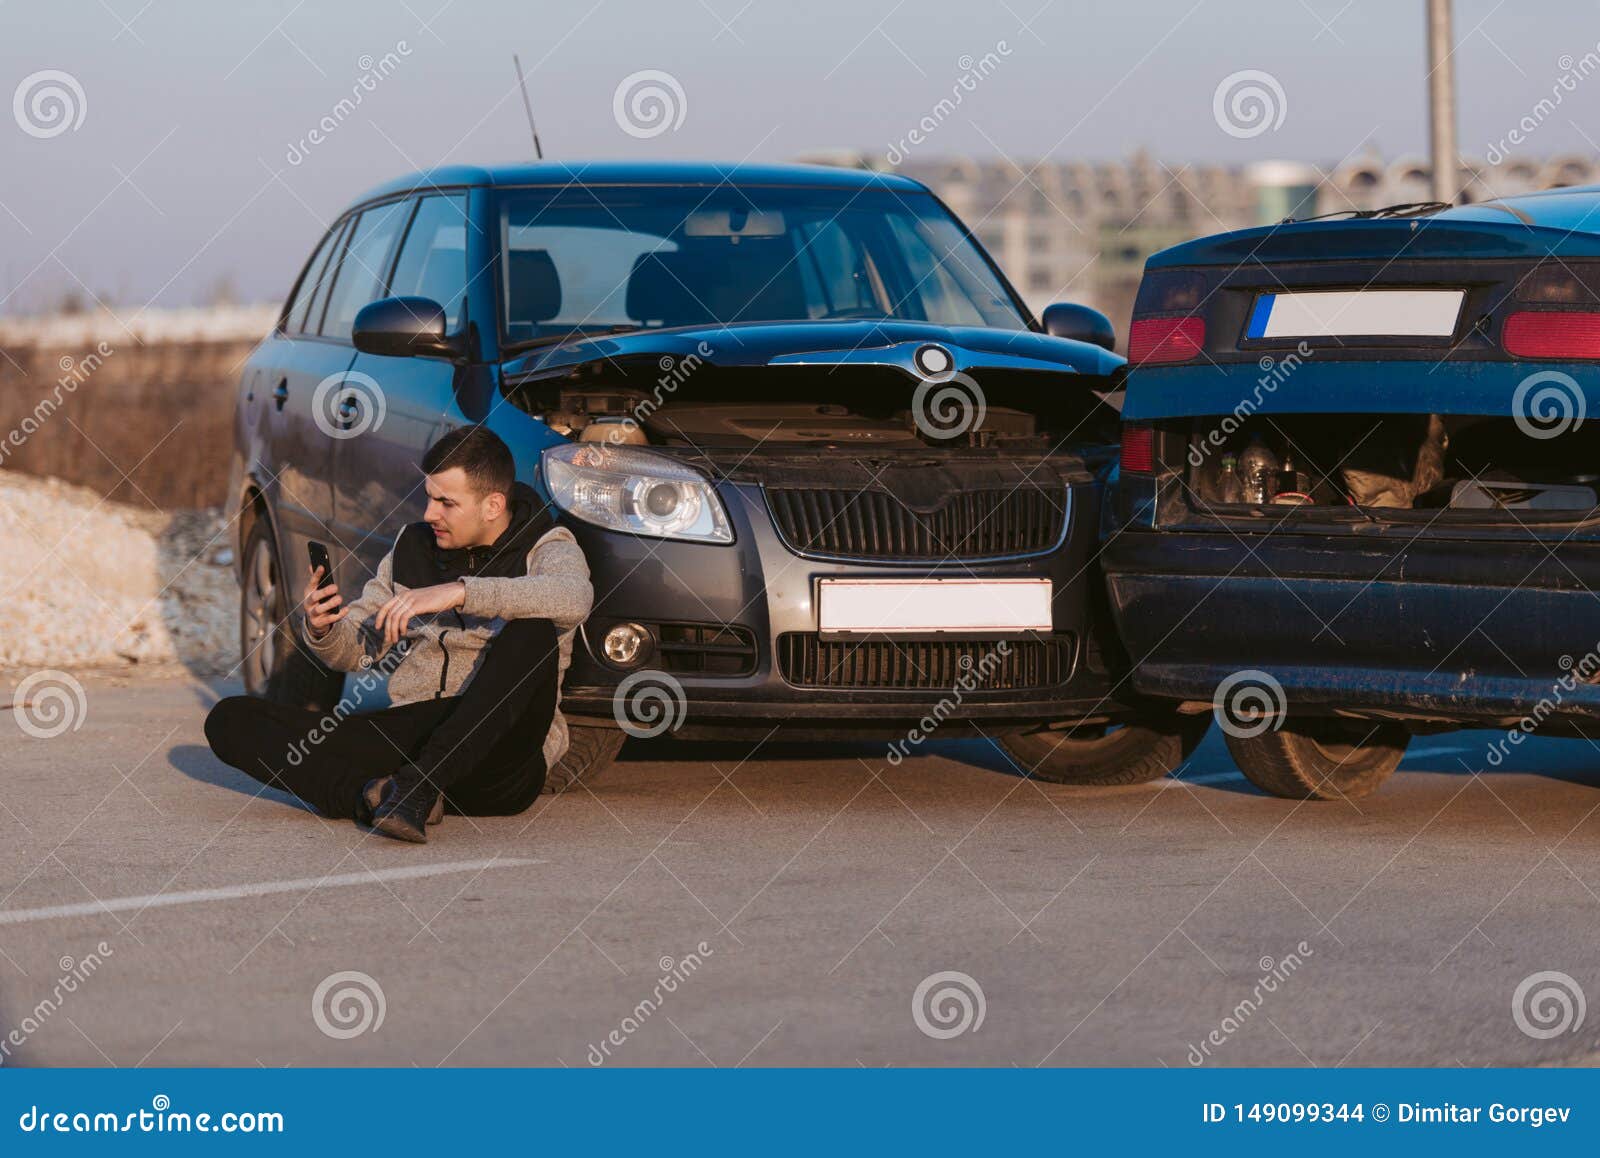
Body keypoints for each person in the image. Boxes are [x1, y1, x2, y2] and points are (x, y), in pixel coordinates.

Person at [205, 426, 593, 843]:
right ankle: (372, 795)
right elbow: (362, 647)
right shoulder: (413, 548)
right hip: (414, 731)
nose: (430, 513)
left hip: (501, 758)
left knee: (531, 633)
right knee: (230, 720)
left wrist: (460, 592)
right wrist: (324, 629)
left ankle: (419, 787)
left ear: (493, 505)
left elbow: (574, 597)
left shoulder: (546, 544)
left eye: (446, 503)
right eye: (429, 496)